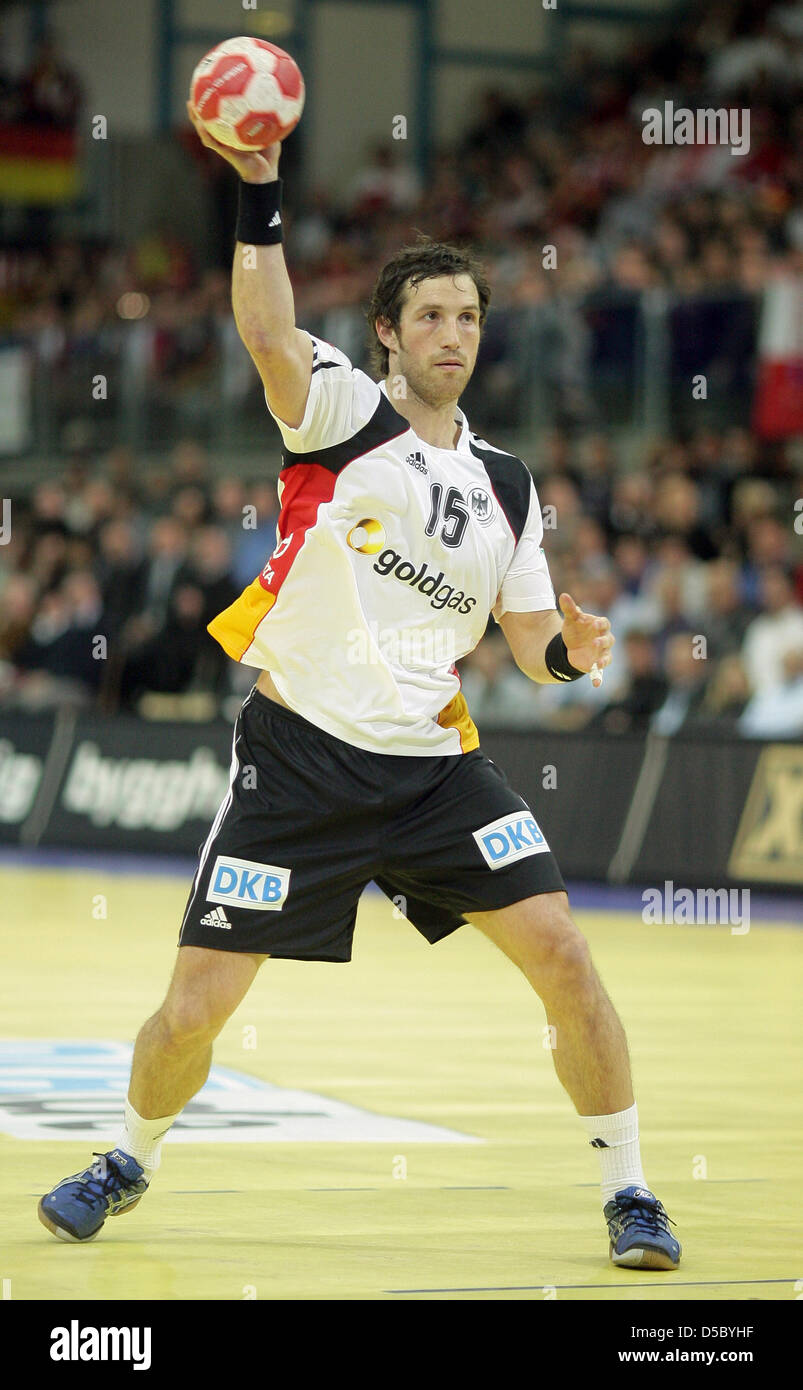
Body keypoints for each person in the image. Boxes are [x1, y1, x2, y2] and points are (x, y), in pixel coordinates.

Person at [38, 109, 680, 1273]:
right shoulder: (342, 410)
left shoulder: (506, 484)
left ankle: (629, 1189)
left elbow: (526, 633)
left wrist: (567, 653)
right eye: (429, 315)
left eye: (468, 317)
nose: (452, 333)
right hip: (298, 757)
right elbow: (267, 327)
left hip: (435, 769)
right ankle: (129, 1153)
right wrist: (259, 186)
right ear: (386, 333)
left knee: (566, 957)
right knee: (192, 1012)